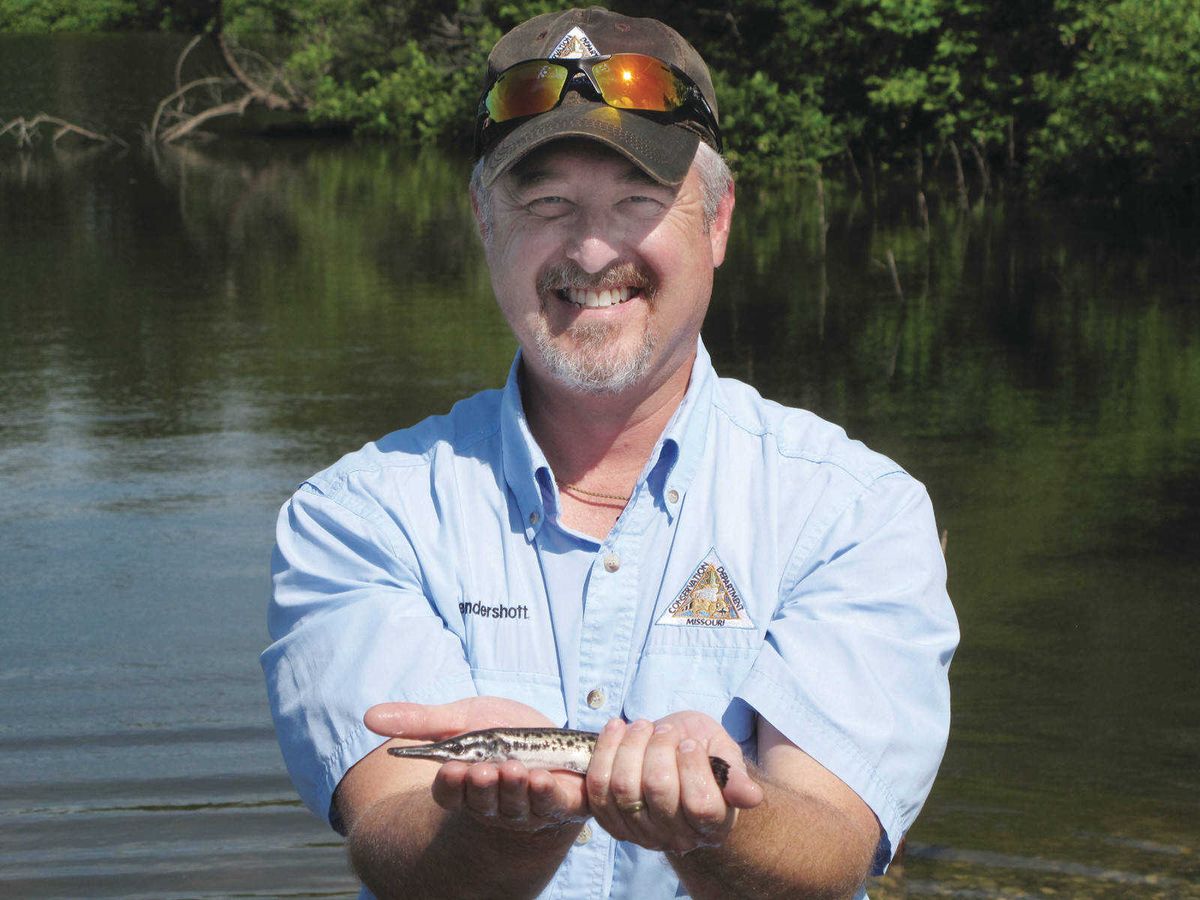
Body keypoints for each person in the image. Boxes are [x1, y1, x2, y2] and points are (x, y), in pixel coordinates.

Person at [262, 7, 959, 899]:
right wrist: (509, 831)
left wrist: (712, 824)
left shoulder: (858, 510)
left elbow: (828, 855)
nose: (592, 250)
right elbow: (396, 842)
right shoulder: (355, 515)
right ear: (484, 222)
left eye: (638, 201)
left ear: (717, 222)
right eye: (546, 203)